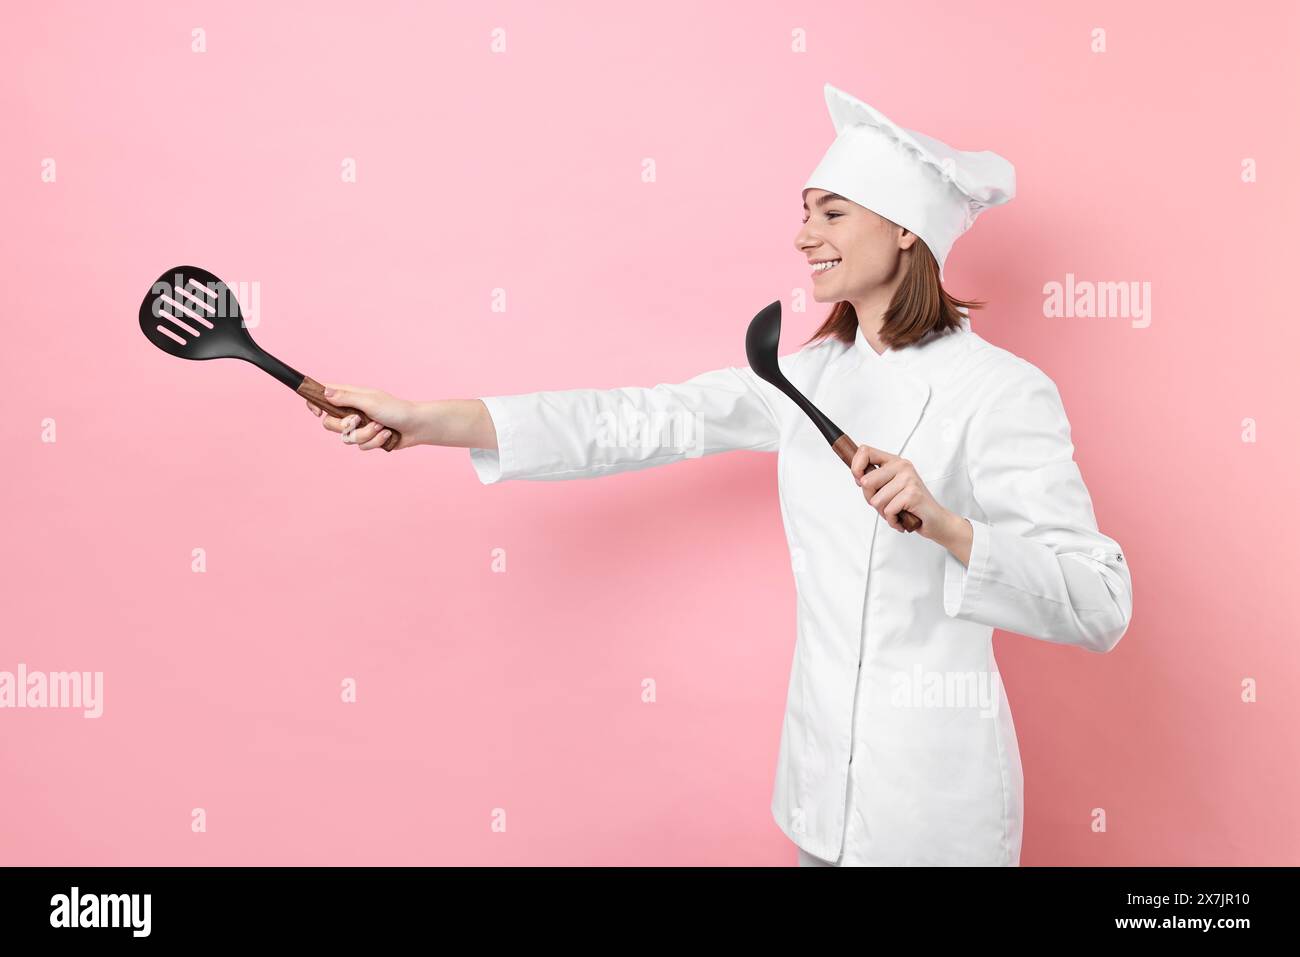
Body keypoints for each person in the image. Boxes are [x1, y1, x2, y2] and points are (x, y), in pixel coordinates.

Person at [304, 83, 1134, 866]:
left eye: (833, 213)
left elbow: (1100, 603)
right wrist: (428, 419)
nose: (805, 235)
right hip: (817, 797)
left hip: (931, 812)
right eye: (804, 214)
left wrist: (949, 523)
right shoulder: (803, 378)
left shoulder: (1001, 391)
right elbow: (636, 420)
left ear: (907, 230)